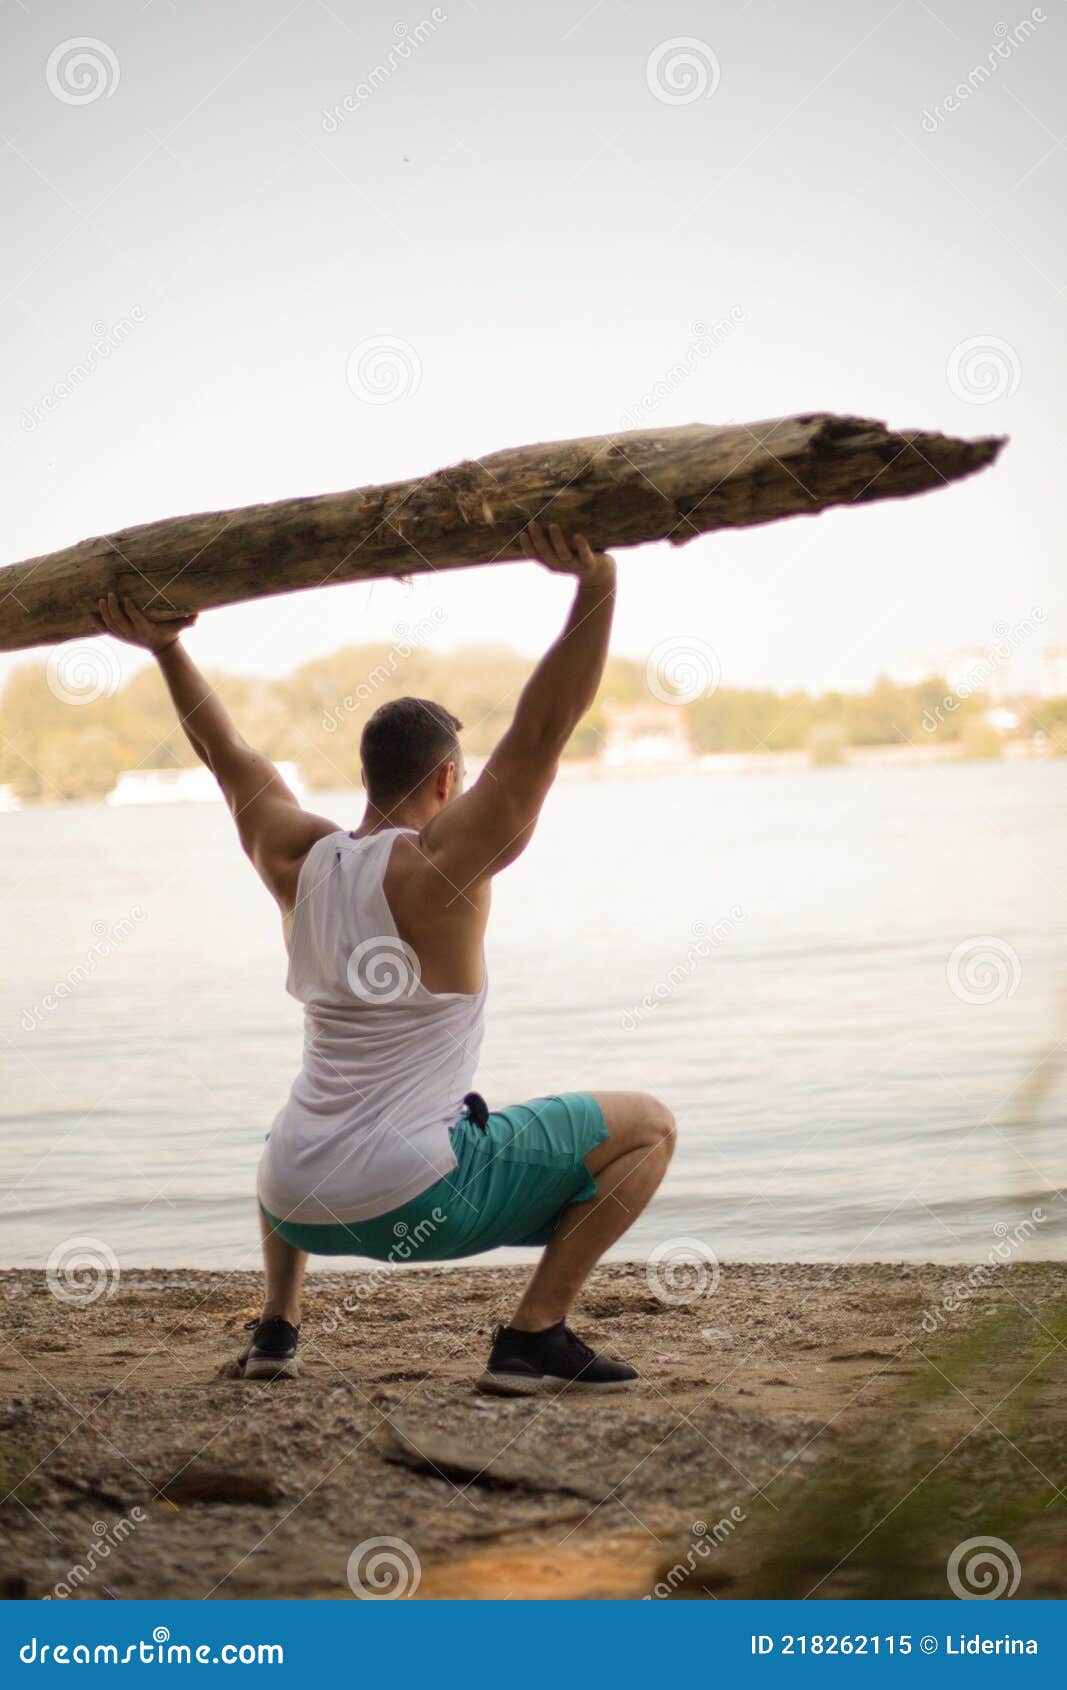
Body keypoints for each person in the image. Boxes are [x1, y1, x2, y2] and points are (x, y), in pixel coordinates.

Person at [96, 520, 676, 1394]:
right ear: (446, 780)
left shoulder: (294, 858)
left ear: (368, 776)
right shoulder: (446, 865)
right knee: (648, 1127)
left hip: (296, 1200)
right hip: (415, 1200)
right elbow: (545, 727)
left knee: (304, 1117)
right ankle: (533, 1336)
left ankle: (277, 1329)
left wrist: (167, 651)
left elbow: (227, 757)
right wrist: (597, 586)